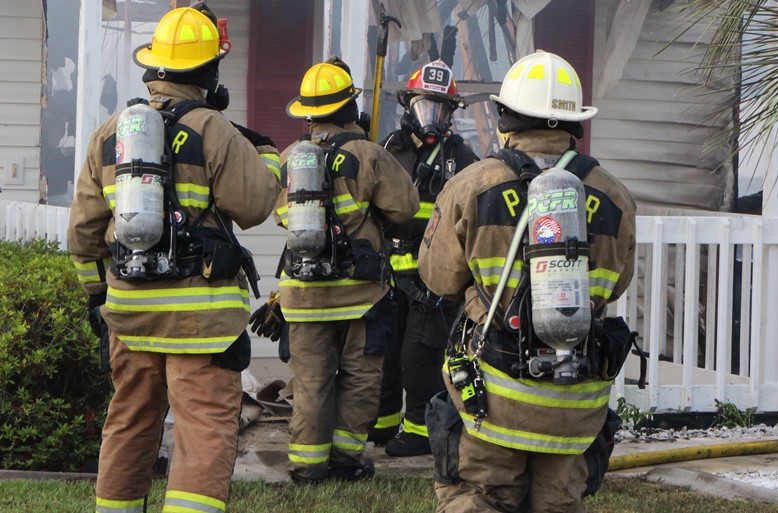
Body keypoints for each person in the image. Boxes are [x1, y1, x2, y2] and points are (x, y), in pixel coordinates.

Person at [67, 2, 282, 513]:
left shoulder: (111, 133)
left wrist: (100, 299)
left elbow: (83, 233)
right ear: (208, 73)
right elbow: (253, 206)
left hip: (130, 313)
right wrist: (266, 155)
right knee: (204, 427)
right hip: (201, 320)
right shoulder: (214, 129)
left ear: (153, 68)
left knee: (130, 419)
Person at [418, 50, 637, 513]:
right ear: (573, 122)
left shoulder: (473, 185)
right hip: (574, 401)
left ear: (505, 115)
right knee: (560, 504)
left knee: (478, 498)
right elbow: (616, 285)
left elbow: (438, 277)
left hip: (495, 395)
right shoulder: (615, 196)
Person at [267, 57, 420, 484]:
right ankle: (347, 461)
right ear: (349, 107)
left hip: (303, 291)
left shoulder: (290, 160)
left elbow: (280, 217)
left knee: (311, 379)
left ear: (309, 114)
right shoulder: (368, 154)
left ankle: (308, 466)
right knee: (360, 376)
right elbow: (406, 207)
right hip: (360, 293)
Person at [369, 59, 480, 456]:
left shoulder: (462, 158)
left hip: (433, 278)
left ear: (450, 113)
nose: (431, 118)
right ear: (409, 107)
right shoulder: (388, 150)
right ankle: (380, 423)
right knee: (384, 350)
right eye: (423, 107)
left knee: (419, 356)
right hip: (388, 275)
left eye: (439, 108)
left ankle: (418, 430)